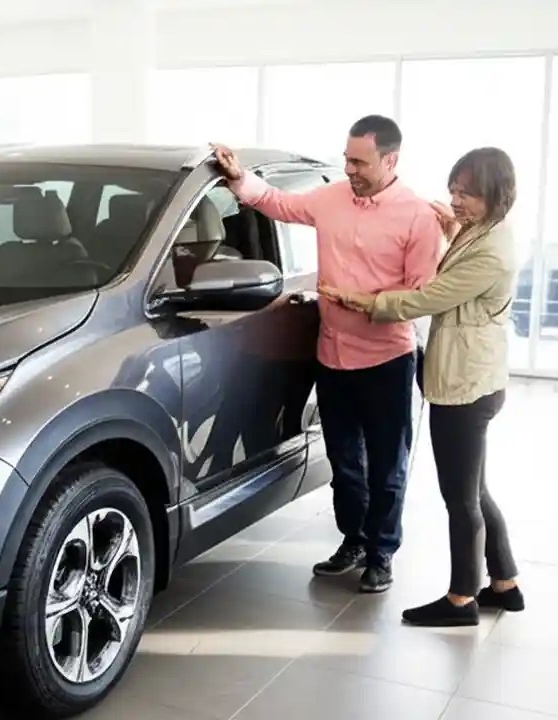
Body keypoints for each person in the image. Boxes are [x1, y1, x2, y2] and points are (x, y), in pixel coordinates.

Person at [213, 115, 443, 593]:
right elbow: (279, 203)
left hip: (387, 359)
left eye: (359, 161)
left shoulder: (417, 216)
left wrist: (367, 303)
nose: (349, 168)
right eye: (347, 157)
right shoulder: (332, 197)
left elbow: (422, 294)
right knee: (344, 461)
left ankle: (382, 553)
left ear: (390, 159)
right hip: (332, 355)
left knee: (387, 466)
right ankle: (353, 541)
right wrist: (238, 179)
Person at [319, 147, 525, 626]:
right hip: (477, 376)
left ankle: (461, 600)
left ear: (496, 194)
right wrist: (454, 232)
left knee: (461, 498)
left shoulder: (492, 250)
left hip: (464, 384)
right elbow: (455, 267)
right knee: (476, 488)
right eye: (454, 189)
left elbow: (430, 297)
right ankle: (505, 582)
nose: (455, 201)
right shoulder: (484, 231)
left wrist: (361, 300)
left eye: (466, 194)